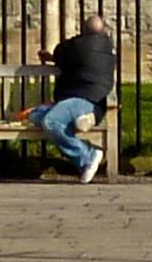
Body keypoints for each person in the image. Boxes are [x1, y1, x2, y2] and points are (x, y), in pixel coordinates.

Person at [25, 11, 116, 183]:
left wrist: (53, 56)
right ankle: (83, 119)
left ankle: (87, 156)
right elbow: (77, 62)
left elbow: (62, 52)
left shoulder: (78, 45)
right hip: (96, 101)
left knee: (51, 122)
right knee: (34, 115)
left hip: (82, 100)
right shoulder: (108, 48)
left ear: (83, 30)